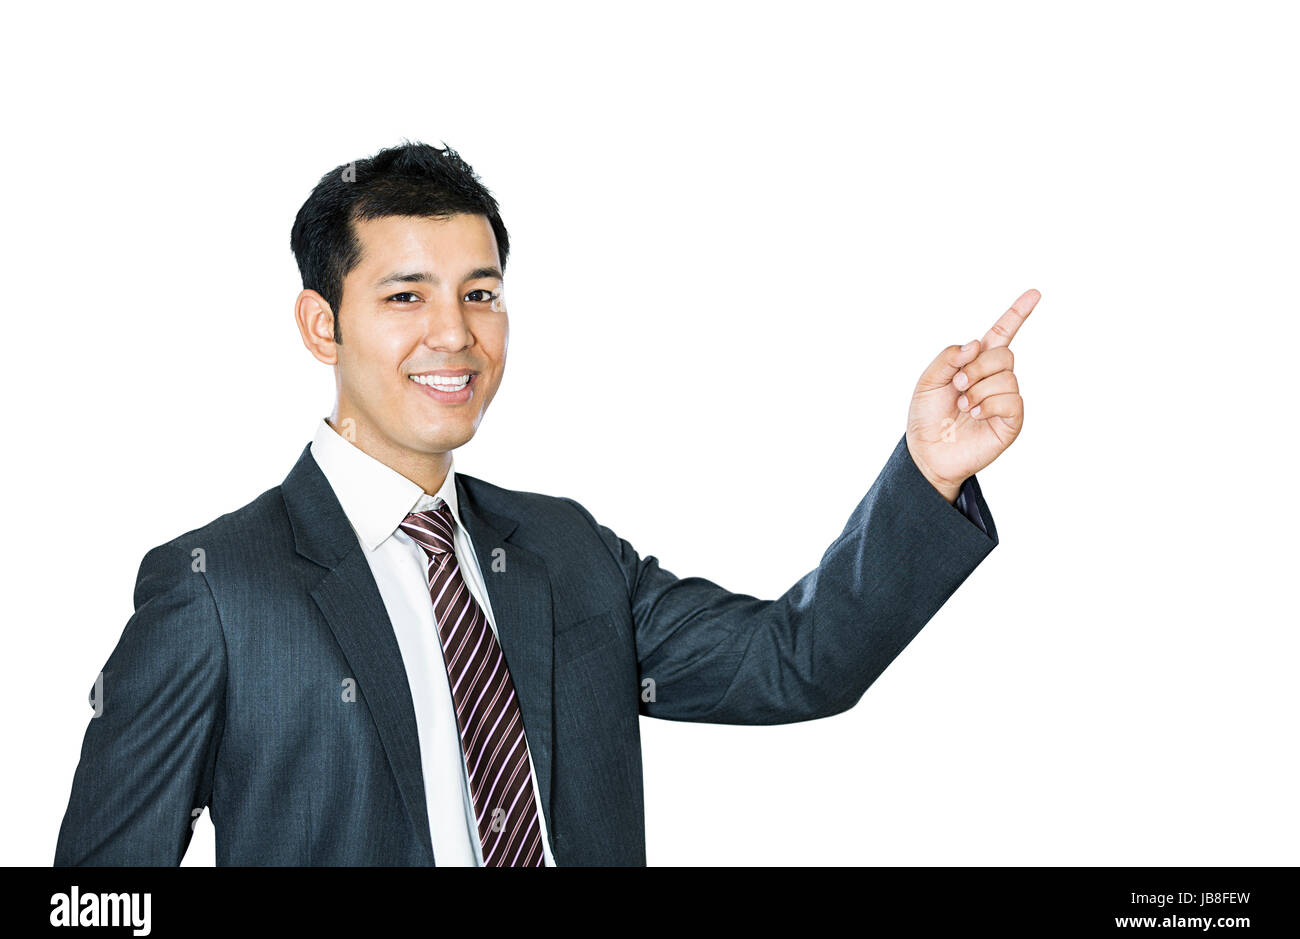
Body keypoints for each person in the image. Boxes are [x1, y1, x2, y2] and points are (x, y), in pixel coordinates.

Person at [53, 141, 1039, 866]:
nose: (455, 335)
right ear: (323, 324)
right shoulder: (218, 585)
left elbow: (798, 664)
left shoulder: (563, 550)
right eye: (405, 297)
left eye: (479, 294)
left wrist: (927, 470)